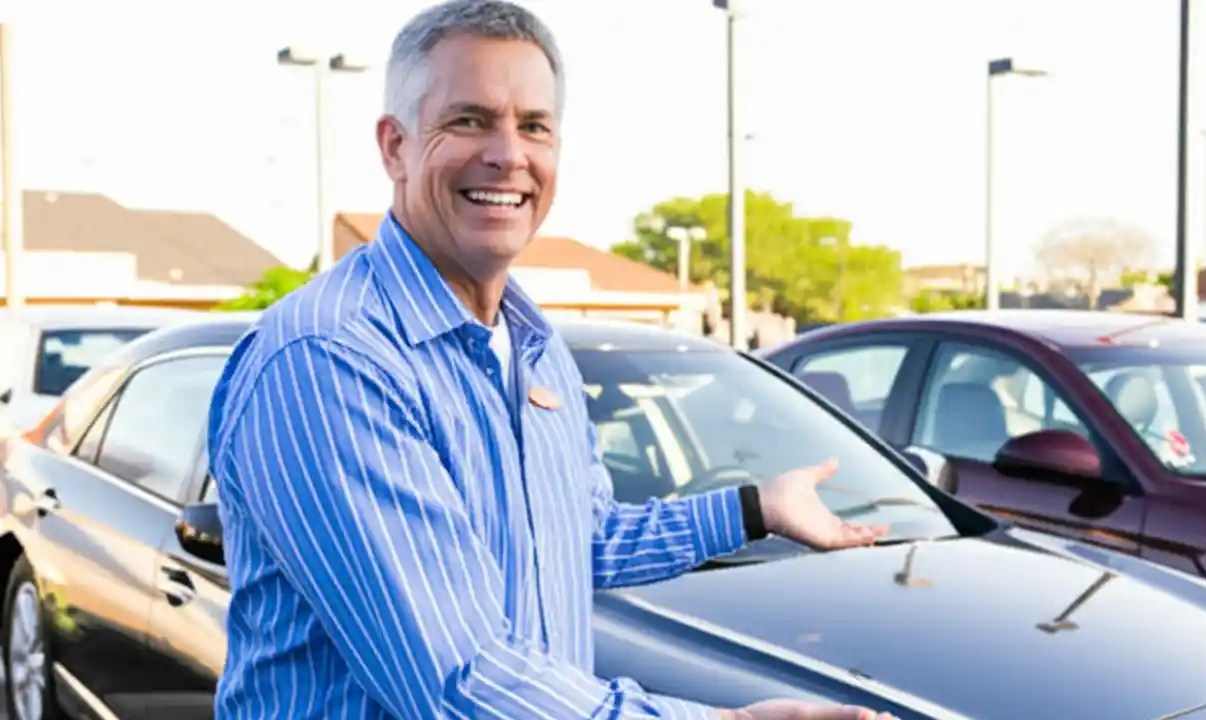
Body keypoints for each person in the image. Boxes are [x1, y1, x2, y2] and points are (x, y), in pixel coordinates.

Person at [205, 1, 897, 718]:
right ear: (395, 146)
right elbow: (457, 681)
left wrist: (755, 509)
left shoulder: (533, 349)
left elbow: (575, 540)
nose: (509, 155)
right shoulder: (331, 360)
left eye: (534, 126)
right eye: (468, 120)